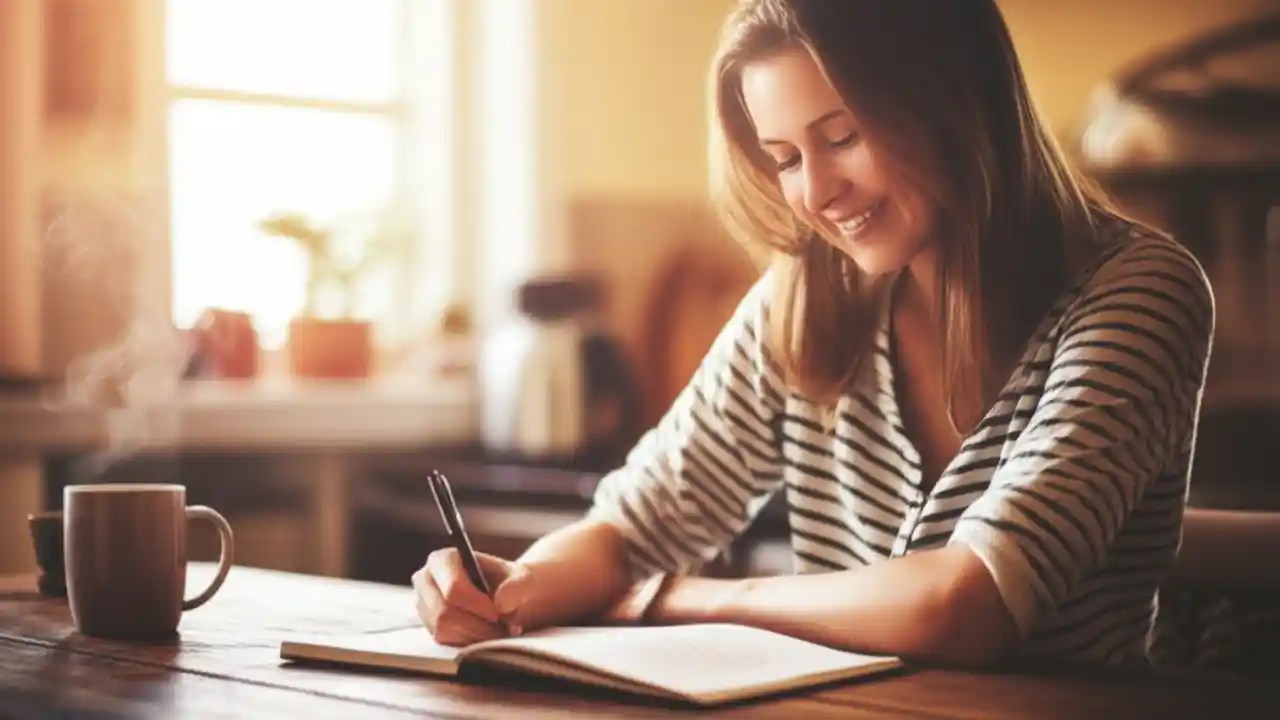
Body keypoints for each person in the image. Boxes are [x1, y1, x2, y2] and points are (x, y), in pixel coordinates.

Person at [412, 0, 1214, 668]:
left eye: (842, 138)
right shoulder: (802, 300)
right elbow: (627, 529)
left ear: (953, 101)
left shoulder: (1138, 291)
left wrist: (687, 600)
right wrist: (515, 585)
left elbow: (966, 605)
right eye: (786, 157)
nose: (817, 192)